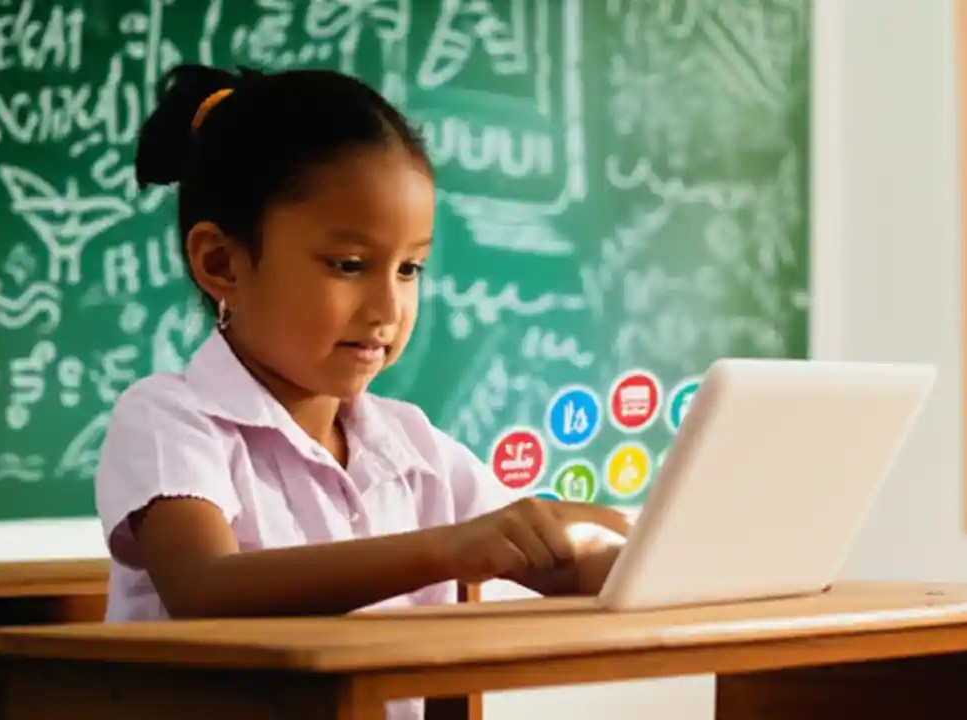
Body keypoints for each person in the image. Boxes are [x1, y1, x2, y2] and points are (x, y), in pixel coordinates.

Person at [94, 64, 630, 635]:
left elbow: (554, 554)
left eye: (409, 268)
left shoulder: (412, 447)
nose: (387, 308)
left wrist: (652, 543)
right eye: (349, 265)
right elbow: (206, 585)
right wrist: (446, 549)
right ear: (221, 263)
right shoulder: (168, 420)